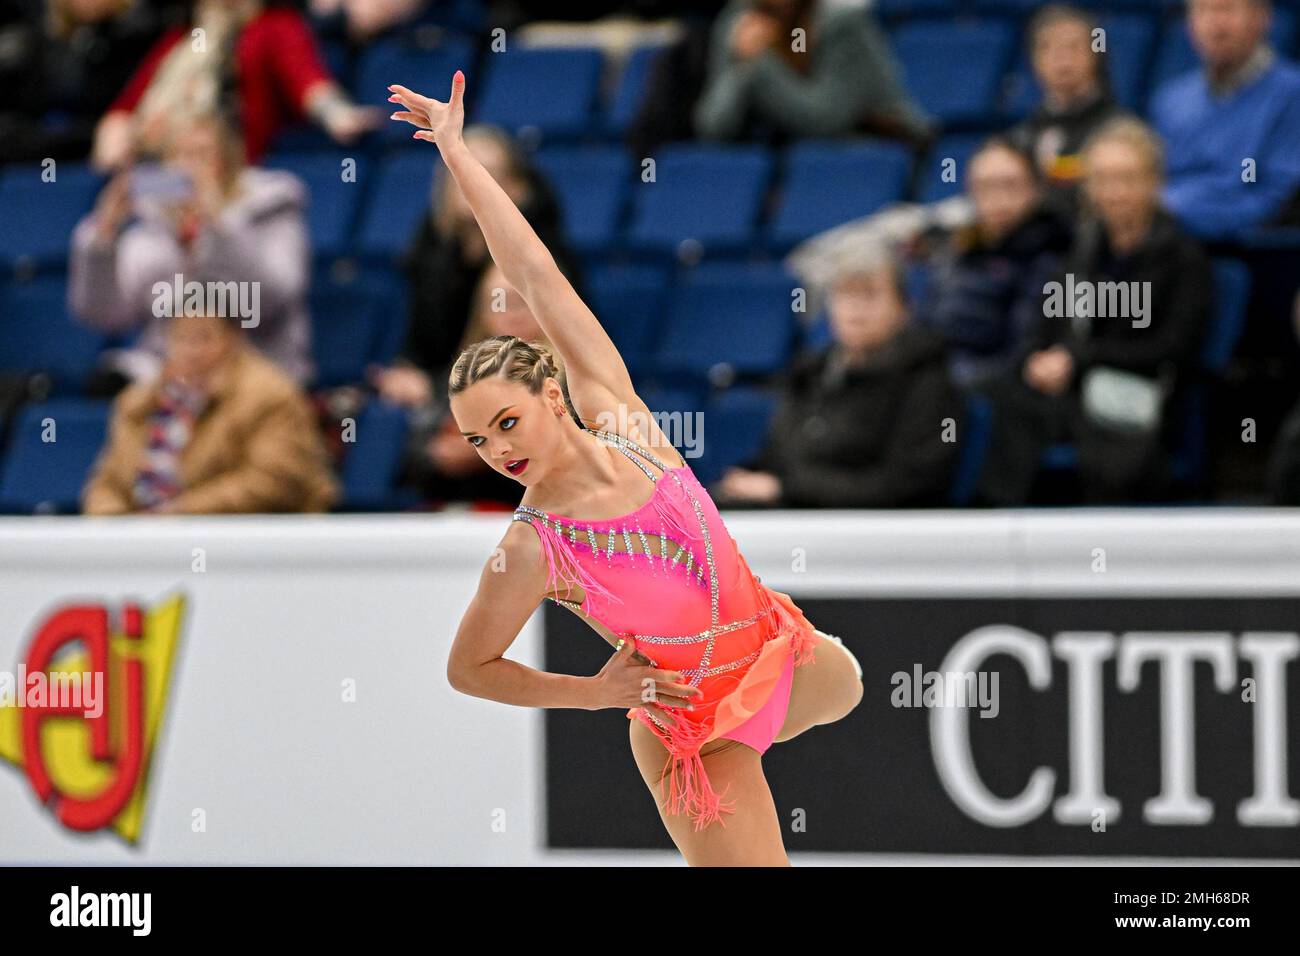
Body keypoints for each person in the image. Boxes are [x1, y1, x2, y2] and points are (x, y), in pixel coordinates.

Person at [389, 71, 864, 865]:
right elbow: (468, 668)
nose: (501, 452)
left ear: (552, 389)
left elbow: (534, 273)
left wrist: (457, 153)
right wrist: (596, 693)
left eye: (508, 422)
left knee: (848, 683)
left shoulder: (622, 417)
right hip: (690, 725)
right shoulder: (531, 546)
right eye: (478, 442)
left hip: (786, 656)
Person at [974, 118, 1212, 506]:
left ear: (1154, 181)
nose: (1113, 192)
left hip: (1136, 399)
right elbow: (1049, 325)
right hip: (1071, 395)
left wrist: (1079, 359)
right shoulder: (1083, 252)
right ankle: (999, 527)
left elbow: (1174, 347)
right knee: (991, 393)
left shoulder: (1183, 258)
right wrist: (1040, 359)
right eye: (1102, 179)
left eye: (1126, 178)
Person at [69, 108, 313, 388]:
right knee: (110, 387)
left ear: (230, 161)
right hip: (168, 375)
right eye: (180, 156)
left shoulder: (272, 208)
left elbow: (269, 299)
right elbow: (103, 314)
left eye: (202, 155)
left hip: (257, 374)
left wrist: (217, 225)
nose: (189, 170)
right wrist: (103, 235)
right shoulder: (155, 222)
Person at [713, 244, 962, 508]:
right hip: (794, 515)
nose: (855, 308)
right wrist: (743, 480)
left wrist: (785, 488)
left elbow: (905, 485)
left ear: (902, 309)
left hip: (862, 529)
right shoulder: (811, 373)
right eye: (845, 295)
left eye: (869, 295)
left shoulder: (927, 379)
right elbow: (776, 458)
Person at [369, 124, 582, 409]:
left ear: (519, 188)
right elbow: (419, 347)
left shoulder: (538, 261)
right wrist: (409, 376)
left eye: (487, 173)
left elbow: (538, 361)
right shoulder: (430, 254)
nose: (469, 182)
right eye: (458, 172)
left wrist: (434, 389)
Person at [82, 310, 338, 515]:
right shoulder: (139, 402)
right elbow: (107, 481)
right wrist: (112, 523)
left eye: (202, 338)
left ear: (234, 339)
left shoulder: (270, 395)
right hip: (153, 545)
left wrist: (181, 511)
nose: (190, 351)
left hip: (250, 545)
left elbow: (275, 481)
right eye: (181, 338)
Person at [91, 0, 379, 171]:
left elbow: (310, 85)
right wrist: (116, 134)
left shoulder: (273, 26)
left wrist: (339, 115)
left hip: (233, 175)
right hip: (161, 172)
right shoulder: (183, 37)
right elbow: (128, 107)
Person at [914, 136, 1073, 391]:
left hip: (986, 392)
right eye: (985, 186)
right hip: (937, 381)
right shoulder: (956, 252)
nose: (998, 198)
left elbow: (1018, 357)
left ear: (1036, 188)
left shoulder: (1051, 256)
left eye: (1010, 185)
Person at [1148, 0, 1300, 240]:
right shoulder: (1170, 98)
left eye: (1226, 9)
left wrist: (1174, 211)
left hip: (1244, 255)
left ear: (1261, 18)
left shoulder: (1292, 95)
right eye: (1202, 11)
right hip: (1169, 249)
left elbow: (1279, 202)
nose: (1215, 25)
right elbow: (1157, 182)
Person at [694, 0, 932, 145]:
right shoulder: (739, 21)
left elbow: (824, 122)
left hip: (877, 153)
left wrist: (760, 64)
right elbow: (713, 127)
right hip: (793, 169)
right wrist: (740, 68)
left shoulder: (844, 22)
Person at [1006, 3, 1129, 219]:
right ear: (1033, 60)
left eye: (1073, 46)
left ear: (1097, 55)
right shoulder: (1021, 137)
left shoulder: (1121, 133)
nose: (1062, 58)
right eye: (1048, 47)